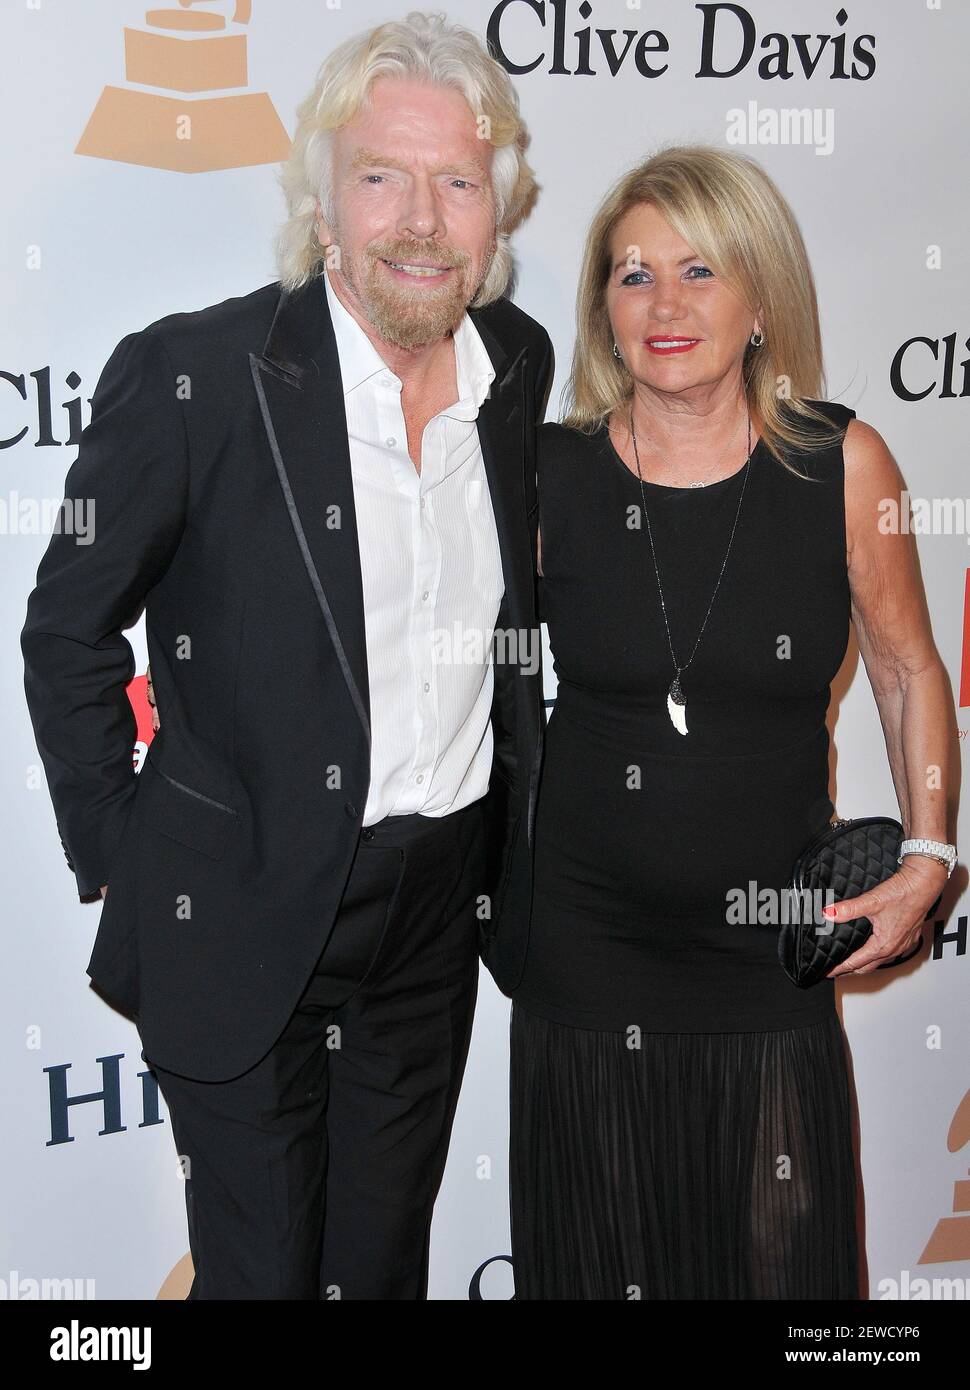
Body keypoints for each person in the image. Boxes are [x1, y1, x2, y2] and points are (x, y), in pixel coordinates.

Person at [21, 11, 551, 1300]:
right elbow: (66, 625)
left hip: (433, 910)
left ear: (498, 213)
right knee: (257, 1278)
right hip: (241, 905)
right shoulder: (196, 376)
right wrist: (127, 852)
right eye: (382, 176)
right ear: (324, 205)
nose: (422, 218)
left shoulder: (517, 369)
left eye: (458, 181)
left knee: (378, 1269)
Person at [501, 145, 957, 1300]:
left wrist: (930, 856)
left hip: (769, 956)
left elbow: (907, 668)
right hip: (586, 960)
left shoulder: (841, 464)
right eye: (632, 273)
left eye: (699, 271)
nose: (663, 305)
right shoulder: (544, 475)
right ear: (600, 306)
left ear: (760, 298)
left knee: (785, 1282)